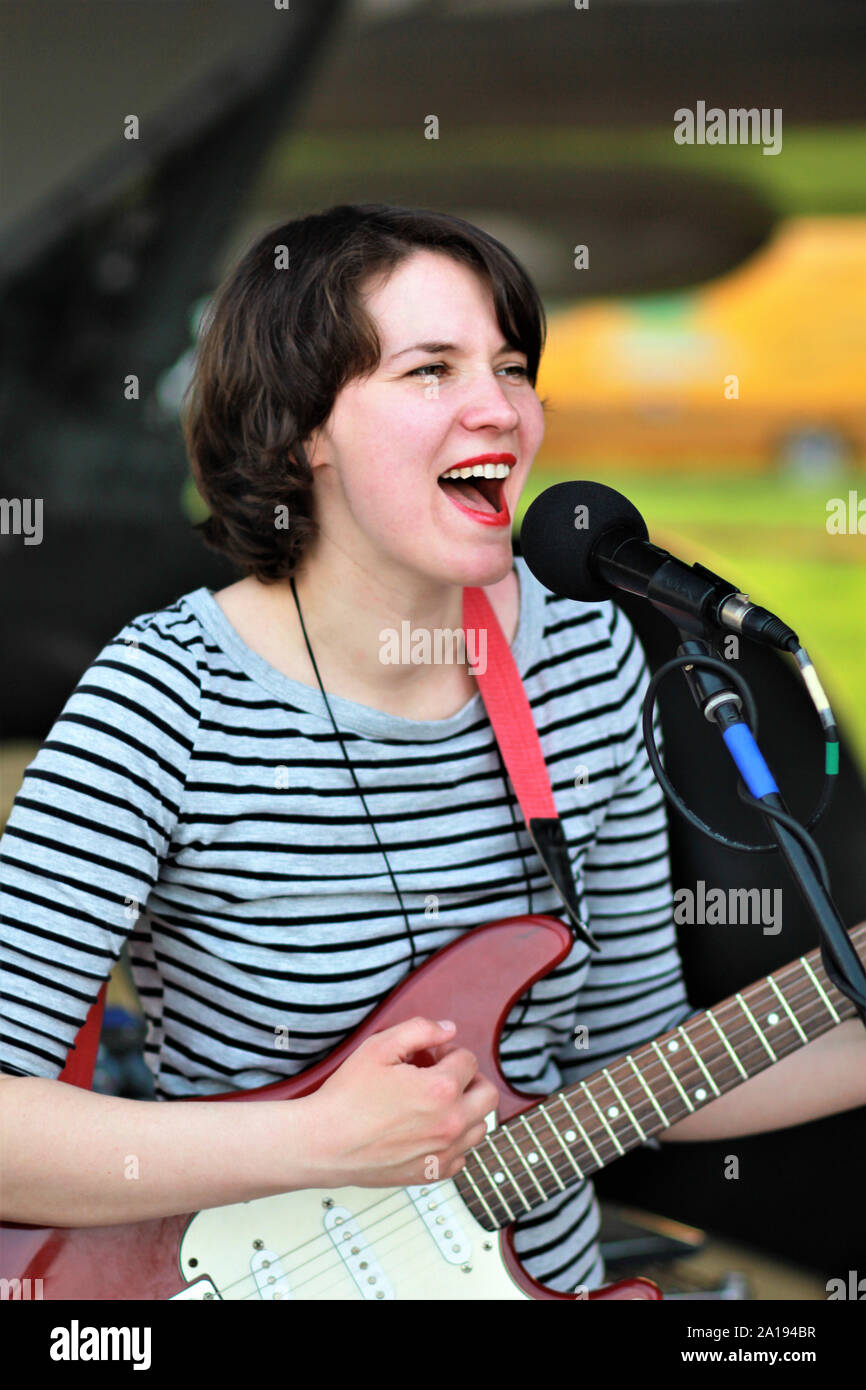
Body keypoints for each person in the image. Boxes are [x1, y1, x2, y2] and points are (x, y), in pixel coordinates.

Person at [1, 204, 864, 1299]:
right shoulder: (165, 697)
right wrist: (318, 1142)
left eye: (509, 366)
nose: (495, 409)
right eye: (429, 370)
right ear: (302, 428)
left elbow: (630, 1059)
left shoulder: (585, 656)